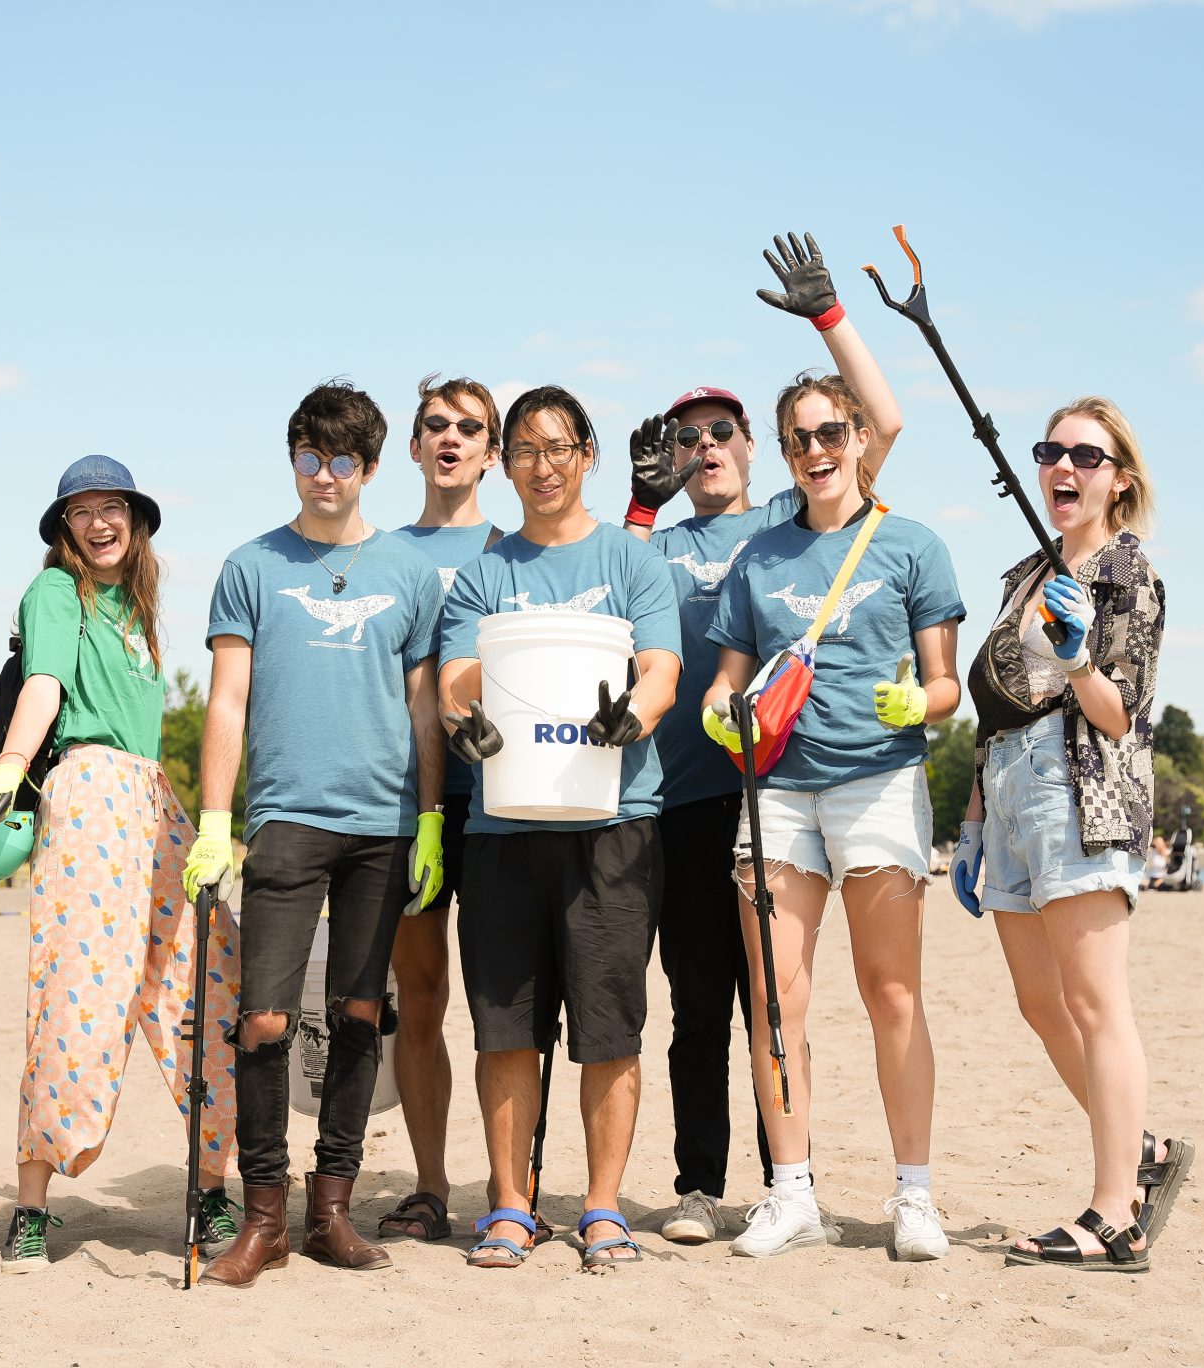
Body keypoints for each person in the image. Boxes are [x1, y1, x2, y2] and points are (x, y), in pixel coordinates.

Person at [624, 230, 905, 1246]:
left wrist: (831, 319)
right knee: (697, 1006)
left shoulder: (793, 518)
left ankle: (787, 1183)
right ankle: (699, 1186)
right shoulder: (647, 543)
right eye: (683, 437)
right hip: (677, 797)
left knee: (775, 1004)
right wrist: (633, 501)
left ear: (758, 448)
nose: (702, 448)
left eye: (719, 433)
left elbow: (877, 423)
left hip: (780, 794)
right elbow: (594, 597)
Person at [0, 455, 243, 1273]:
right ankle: (31, 1213)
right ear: (64, 529)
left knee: (206, 987)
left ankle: (210, 1192)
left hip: (154, 798)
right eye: (82, 512)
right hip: (87, 796)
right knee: (76, 1000)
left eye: (114, 508)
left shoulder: (141, 611)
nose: (100, 522)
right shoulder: (52, 594)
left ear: (136, 521)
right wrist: (11, 767)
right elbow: (43, 683)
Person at [184, 380, 446, 1287]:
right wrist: (216, 821)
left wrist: (432, 817)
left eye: (341, 461)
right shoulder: (251, 565)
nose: (323, 476)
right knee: (262, 1019)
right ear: (291, 458)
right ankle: (265, 1217)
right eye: (308, 457)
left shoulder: (410, 573)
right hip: (285, 820)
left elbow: (423, 708)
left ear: (369, 467)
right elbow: (228, 697)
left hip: (383, 824)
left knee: (360, 1014)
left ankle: (331, 1209)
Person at [702, 367, 964, 1262]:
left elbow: (945, 687)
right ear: (784, 452)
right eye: (799, 439)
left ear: (858, 439)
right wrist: (715, 710)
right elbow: (728, 678)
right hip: (776, 789)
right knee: (779, 1003)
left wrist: (916, 705)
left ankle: (915, 1195)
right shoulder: (761, 558)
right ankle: (791, 1192)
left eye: (830, 434)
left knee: (892, 993)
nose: (816, 451)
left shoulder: (913, 545)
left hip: (879, 781)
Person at [439, 385, 682, 1270]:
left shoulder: (630, 559)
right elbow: (458, 673)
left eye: (558, 447)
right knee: (506, 1028)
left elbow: (660, 664)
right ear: (505, 466)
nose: (543, 466)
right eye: (525, 451)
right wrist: (461, 714)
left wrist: (640, 714)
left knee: (609, 1028)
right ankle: (510, 1206)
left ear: (588, 454)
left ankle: (604, 1208)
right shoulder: (485, 572)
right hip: (502, 828)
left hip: (614, 823)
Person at [947, 396, 1189, 1273]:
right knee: (1040, 1004)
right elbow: (998, 703)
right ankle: (1145, 1152)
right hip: (1008, 790)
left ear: (1118, 480)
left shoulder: (1129, 573)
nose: (1063, 468)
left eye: (1086, 457)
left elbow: (1122, 718)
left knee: (1095, 1004)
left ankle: (1114, 1213)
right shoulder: (1027, 570)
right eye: (1052, 451)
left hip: (1080, 791)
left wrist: (1081, 655)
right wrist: (973, 820)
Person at [380, 375, 505, 1245]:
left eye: (470, 428)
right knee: (419, 1001)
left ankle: (509, 1189)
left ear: (495, 453)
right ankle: (430, 1186)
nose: (451, 438)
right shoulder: (380, 553)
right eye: (435, 426)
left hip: (504, 803)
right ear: (415, 447)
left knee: (507, 1008)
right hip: (405, 807)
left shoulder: (519, 550)